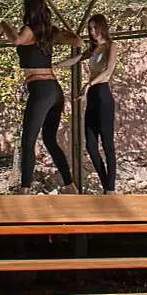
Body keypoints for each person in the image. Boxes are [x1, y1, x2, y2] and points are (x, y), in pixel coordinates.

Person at [0, 0, 77, 193]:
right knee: (49, 139)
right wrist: (63, 33)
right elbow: (78, 41)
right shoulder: (48, 32)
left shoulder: (29, 30)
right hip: (54, 90)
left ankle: (24, 190)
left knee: (28, 140)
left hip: (41, 89)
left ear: (28, 9)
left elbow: (17, 40)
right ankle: (70, 186)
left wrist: (3, 24)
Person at [56, 14, 118, 193]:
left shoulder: (110, 46)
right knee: (91, 146)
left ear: (102, 27)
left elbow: (108, 71)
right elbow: (75, 60)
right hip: (91, 99)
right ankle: (106, 185)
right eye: (90, 28)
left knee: (107, 144)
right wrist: (56, 65)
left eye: (95, 27)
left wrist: (89, 84)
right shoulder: (93, 49)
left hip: (103, 96)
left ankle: (111, 188)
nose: (92, 32)